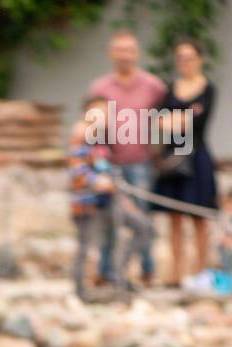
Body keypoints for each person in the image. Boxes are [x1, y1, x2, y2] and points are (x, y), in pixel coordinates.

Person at [88, 31, 166, 285]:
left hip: (141, 162)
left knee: (142, 218)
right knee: (108, 220)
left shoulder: (153, 86)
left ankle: (146, 269)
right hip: (108, 164)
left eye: (129, 50)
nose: (124, 55)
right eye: (119, 50)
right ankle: (106, 271)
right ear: (111, 54)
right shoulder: (100, 87)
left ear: (137, 53)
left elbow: (169, 115)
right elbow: (92, 125)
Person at [70, 97, 152, 301]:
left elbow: (112, 172)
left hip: (110, 202)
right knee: (86, 247)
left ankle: (119, 278)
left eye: (105, 113)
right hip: (88, 203)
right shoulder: (81, 137)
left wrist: (124, 199)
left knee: (142, 227)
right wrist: (95, 180)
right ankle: (81, 291)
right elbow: (76, 169)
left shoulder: (103, 141)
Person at [154, 37, 218, 287]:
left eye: (189, 57)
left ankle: (201, 271)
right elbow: (160, 121)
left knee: (199, 217)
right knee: (174, 217)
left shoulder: (208, 88)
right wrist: (183, 117)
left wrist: (176, 119)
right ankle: (176, 273)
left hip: (197, 157)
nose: (184, 62)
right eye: (180, 57)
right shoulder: (171, 88)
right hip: (174, 157)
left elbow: (193, 123)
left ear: (199, 59)